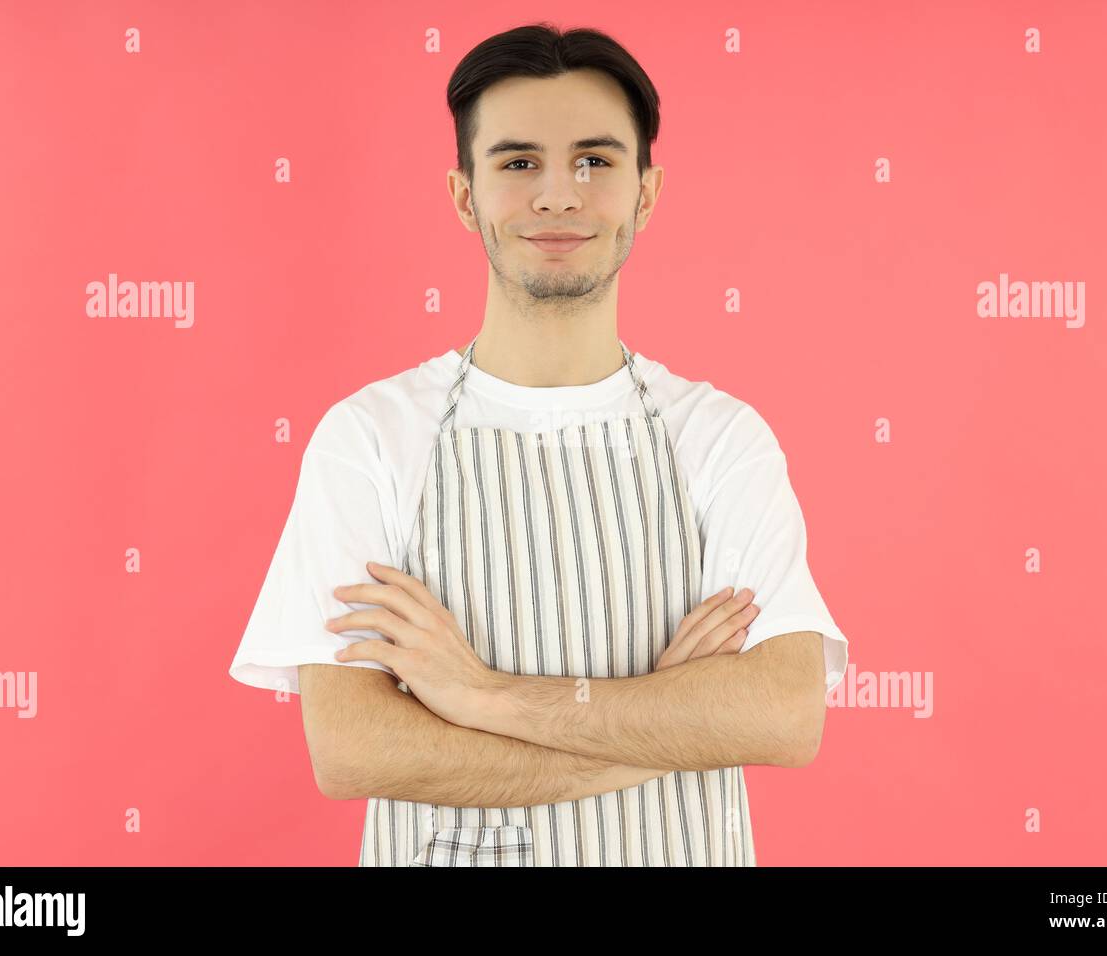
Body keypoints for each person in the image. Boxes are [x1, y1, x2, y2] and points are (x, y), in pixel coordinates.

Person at [228, 22, 849, 867]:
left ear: (647, 192)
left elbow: (782, 715)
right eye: (519, 163)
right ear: (463, 195)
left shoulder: (721, 439)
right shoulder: (369, 437)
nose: (559, 195)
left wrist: (477, 695)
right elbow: (353, 749)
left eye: (595, 160)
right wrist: (671, 718)